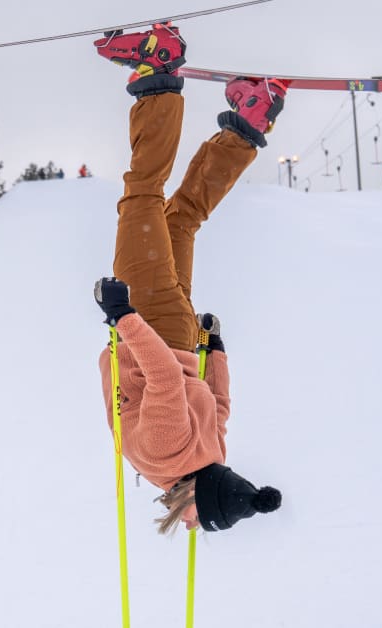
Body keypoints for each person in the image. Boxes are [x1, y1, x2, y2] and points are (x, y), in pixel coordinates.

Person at [90, 23, 282, 535]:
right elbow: (163, 379)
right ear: (198, 496)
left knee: (179, 221)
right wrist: (124, 316)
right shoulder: (166, 455)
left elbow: (218, 404)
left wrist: (213, 349)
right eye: (201, 519)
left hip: (175, 329)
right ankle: (158, 74)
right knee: (142, 195)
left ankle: (247, 124)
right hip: (151, 324)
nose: (192, 526)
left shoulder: (209, 456)